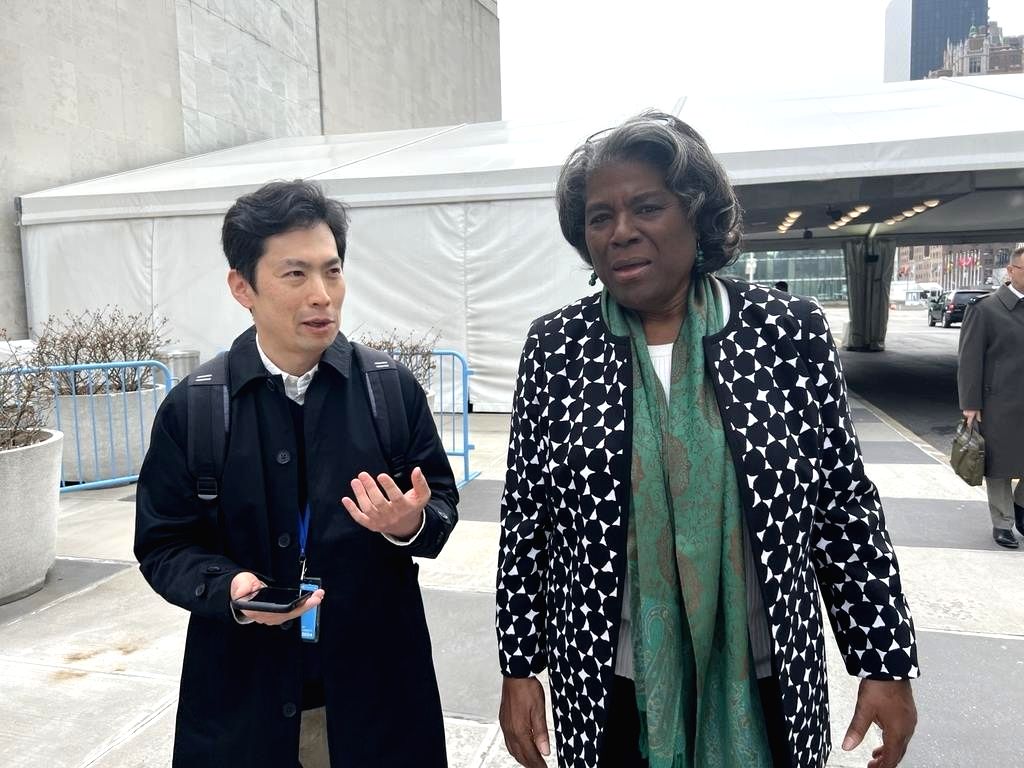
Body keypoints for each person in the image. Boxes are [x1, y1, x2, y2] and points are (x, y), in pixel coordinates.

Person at [495, 112, 918, 768]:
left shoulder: (785, 333)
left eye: (647, 206)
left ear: (698, 217)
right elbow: (529, 521)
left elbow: (842, 508)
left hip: (765, 677)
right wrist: (520, 668)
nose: (622, 231)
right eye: (600, 216)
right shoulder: (558, 347)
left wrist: (884, 660)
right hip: (612, 687)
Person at [134, 180, 458, 767]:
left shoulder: (389, 389)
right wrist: (226, 587)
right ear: (242, 287)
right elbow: (162, 545)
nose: (322, 295)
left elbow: (440, 508)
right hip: (244, 698)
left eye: (332, 272)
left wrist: (408, 525)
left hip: (377, 695)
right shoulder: (195, 407)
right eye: (295, 275)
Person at [958, 245, 1024, 549]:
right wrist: (970, 404)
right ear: (1010, 272)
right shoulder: (985, 309)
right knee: (999, 465)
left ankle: (1020, 509)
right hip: (999, 402)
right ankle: (1003, 523)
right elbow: (970, 359)